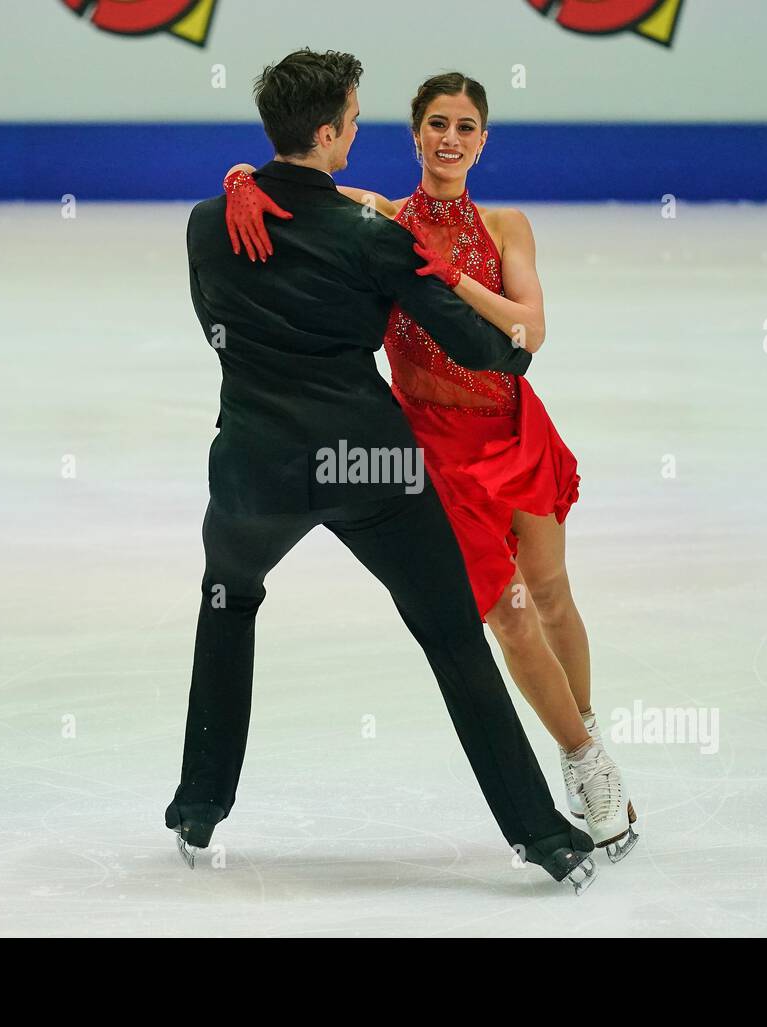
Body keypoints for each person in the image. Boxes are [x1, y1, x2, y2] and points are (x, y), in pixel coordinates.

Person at [169, 49, 597, 892]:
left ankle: (197, 806)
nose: (358, 131)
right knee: (452, 637)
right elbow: (488, 348)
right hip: (368, 464)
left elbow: (218, 315)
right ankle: (543, 835)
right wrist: (495, 338)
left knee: (229, 603)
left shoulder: (208, 220)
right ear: (328, 132)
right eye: (355, 121)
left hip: (256, 468)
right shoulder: (369, 236)